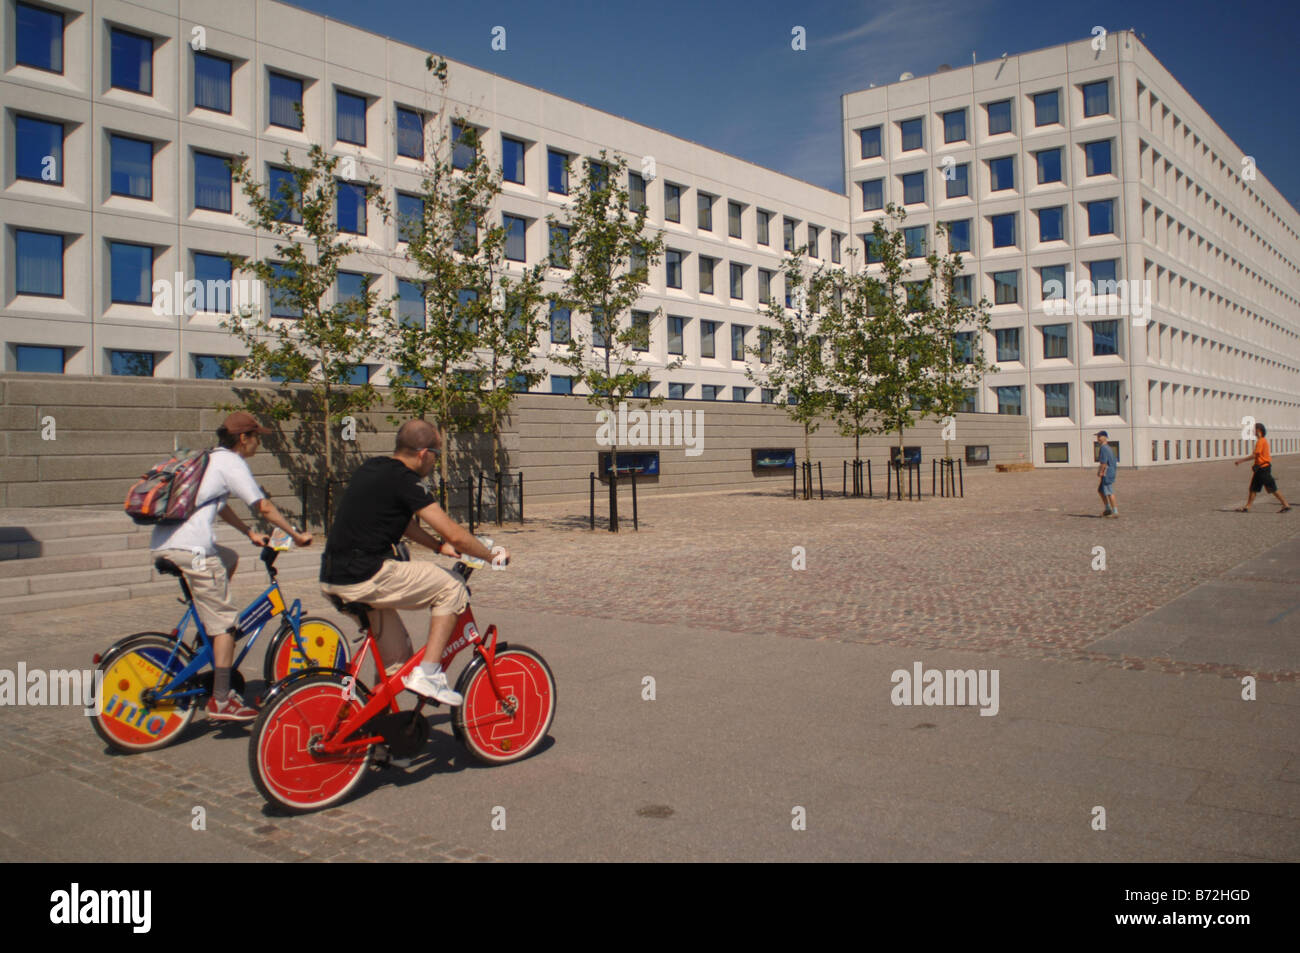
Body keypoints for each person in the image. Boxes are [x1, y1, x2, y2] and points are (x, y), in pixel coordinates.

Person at [320, 419, 508, 705]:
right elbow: (456, 534)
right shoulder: (405, 481)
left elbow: (404, 524)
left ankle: (378, 733)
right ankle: (430, 674)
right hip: (366, 575)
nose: (435, 462)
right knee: (452, 586)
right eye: (437, 454)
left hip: (334, 577)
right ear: (423, 453)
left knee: (396, 663)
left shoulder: (373, 468)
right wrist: (491, 555)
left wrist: (437, 546)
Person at [151, 411, 312, 721]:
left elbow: (218, 506)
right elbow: (262, 505)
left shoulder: (209, 459)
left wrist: (249, 533)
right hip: (193, 550)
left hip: (166, 544)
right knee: (228, 622)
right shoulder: (232, 463)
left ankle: (205, 628)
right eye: (257, 438)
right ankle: (222, 700)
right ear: (243, 438)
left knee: (229, 559)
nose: (258, 445)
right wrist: (295, 534)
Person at [1234, 422, 1291, 513]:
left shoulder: (1261, 441)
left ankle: (1286, 505)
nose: (1253, 431)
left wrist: (1241, 461)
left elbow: (1255, 455)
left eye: (1254, 429)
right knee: (1253, 488)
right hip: (1260, 469)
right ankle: (1247, 507)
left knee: (1272, 488)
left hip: (1263, 469)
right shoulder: (1262, 440)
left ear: (1258, 430)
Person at [1095, 431, 1118, 517]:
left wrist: (1100, 472)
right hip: (1110, 471)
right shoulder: (1108, 447)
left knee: (1109, 491)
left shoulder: (1104, 448)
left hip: (1107, 473)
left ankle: (1115, 511)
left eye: (1099, 436)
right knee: (1100, 490)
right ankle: (1107, 509)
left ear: (1105, 437)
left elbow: (1104, 462)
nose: (1098, 438)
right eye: (1097, 436)